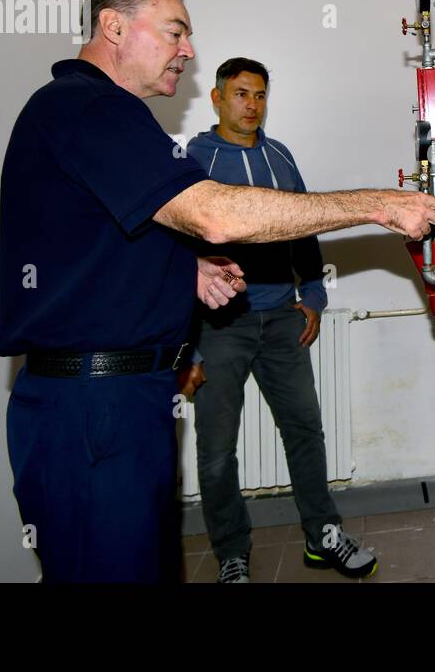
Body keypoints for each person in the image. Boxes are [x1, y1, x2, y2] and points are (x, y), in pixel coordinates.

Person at [0, 0, 435, 583]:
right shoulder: (90, 106)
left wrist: (184, 269)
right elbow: (214, 216)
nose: (187, 49)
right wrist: (379, 204)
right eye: (175, 31)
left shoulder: (103, 114)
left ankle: (320, 531)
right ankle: (233, 553)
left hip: (118, 394)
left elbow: (100, 238)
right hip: (92, 405)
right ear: (114, 26)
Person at [184, 57, 374, 582]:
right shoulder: (194, 160)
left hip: (282, 321)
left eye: (260, 95)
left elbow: (304, 228)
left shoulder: (280, 156)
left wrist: (312, 295)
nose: (252, 105)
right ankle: (232, 554)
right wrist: (188, 348)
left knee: (305, 430)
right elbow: (174, 249)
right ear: (217, 98)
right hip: (219, 327)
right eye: (241, 94)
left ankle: (322, 534)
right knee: (217, 450)